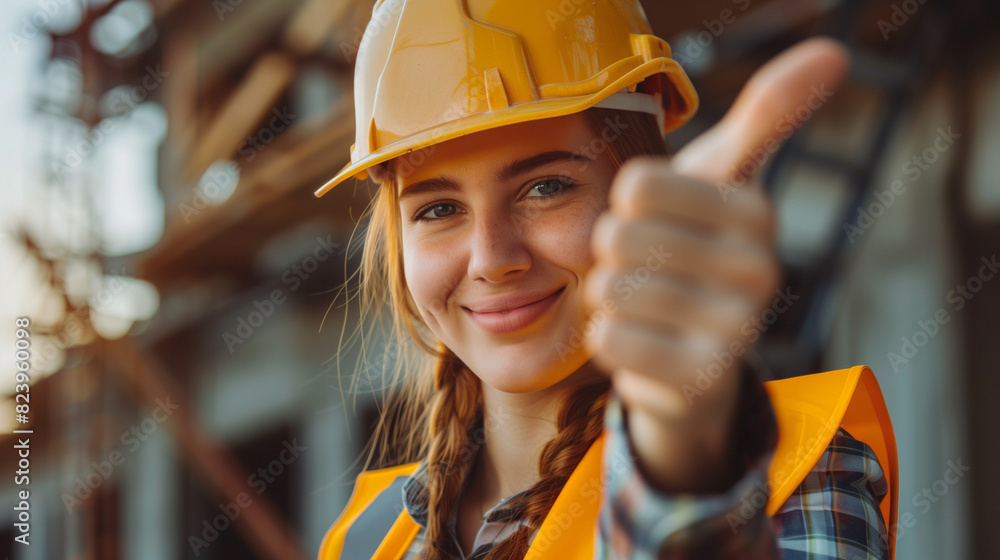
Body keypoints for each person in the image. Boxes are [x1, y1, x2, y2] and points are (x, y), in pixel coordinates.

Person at [313, 1, 897, 558]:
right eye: (438, 209)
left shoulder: (794, 473)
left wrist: (684, 466)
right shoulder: (366, 538)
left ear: (642, 189)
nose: (491, 258)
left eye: (547, 187)